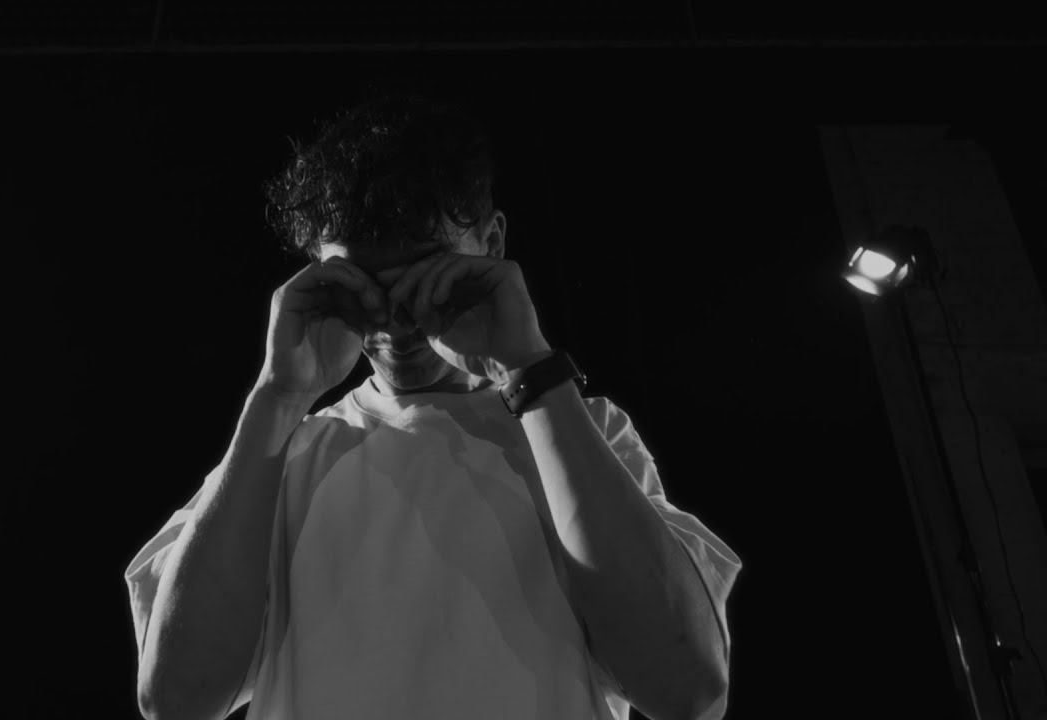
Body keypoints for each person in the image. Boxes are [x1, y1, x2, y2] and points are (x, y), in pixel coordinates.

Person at [124, 93, 742, 720]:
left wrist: (530, 370)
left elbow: (687, 689)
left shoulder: (585, 431)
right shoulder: (278, 455)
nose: (394, 321)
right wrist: (277, 397)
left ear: (492, 243)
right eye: (362, 286)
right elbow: (176, 698)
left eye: (424, 276)